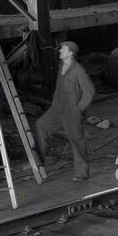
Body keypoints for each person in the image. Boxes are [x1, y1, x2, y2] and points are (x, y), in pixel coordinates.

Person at [34, 40, 95, 181]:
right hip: (57, 108)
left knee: (76, 141)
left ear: (70, 52)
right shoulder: (62, 66)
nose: (60, 51)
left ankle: (82, 173)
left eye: (63, 49)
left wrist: (79, 109)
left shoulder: (78, 70)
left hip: (71, 111)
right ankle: (39, 163)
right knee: (41, 125)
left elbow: (89, 91)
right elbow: (58, 88)